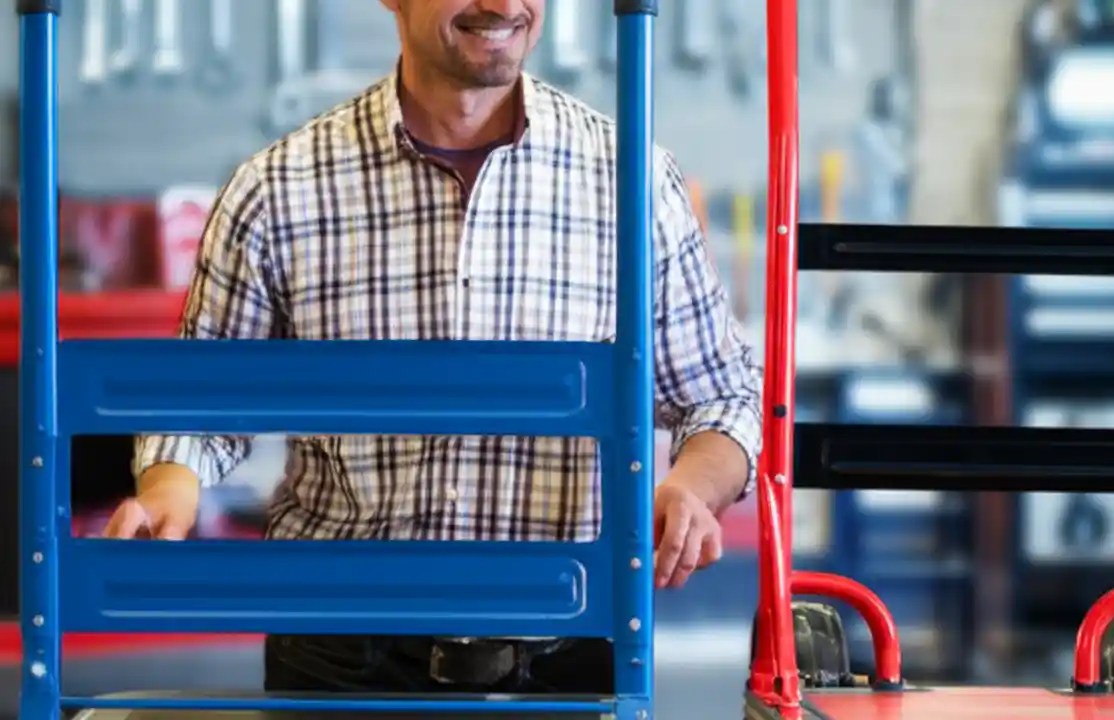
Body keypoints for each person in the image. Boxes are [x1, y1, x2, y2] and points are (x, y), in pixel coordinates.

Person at [102, 0, 762, 697]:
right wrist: (168, 487)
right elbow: (200, 400)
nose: (504, 6)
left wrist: (692, 487)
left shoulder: (631, 181)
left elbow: (720, 395)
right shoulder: (278, 188)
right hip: (341, 656)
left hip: (566, 648)